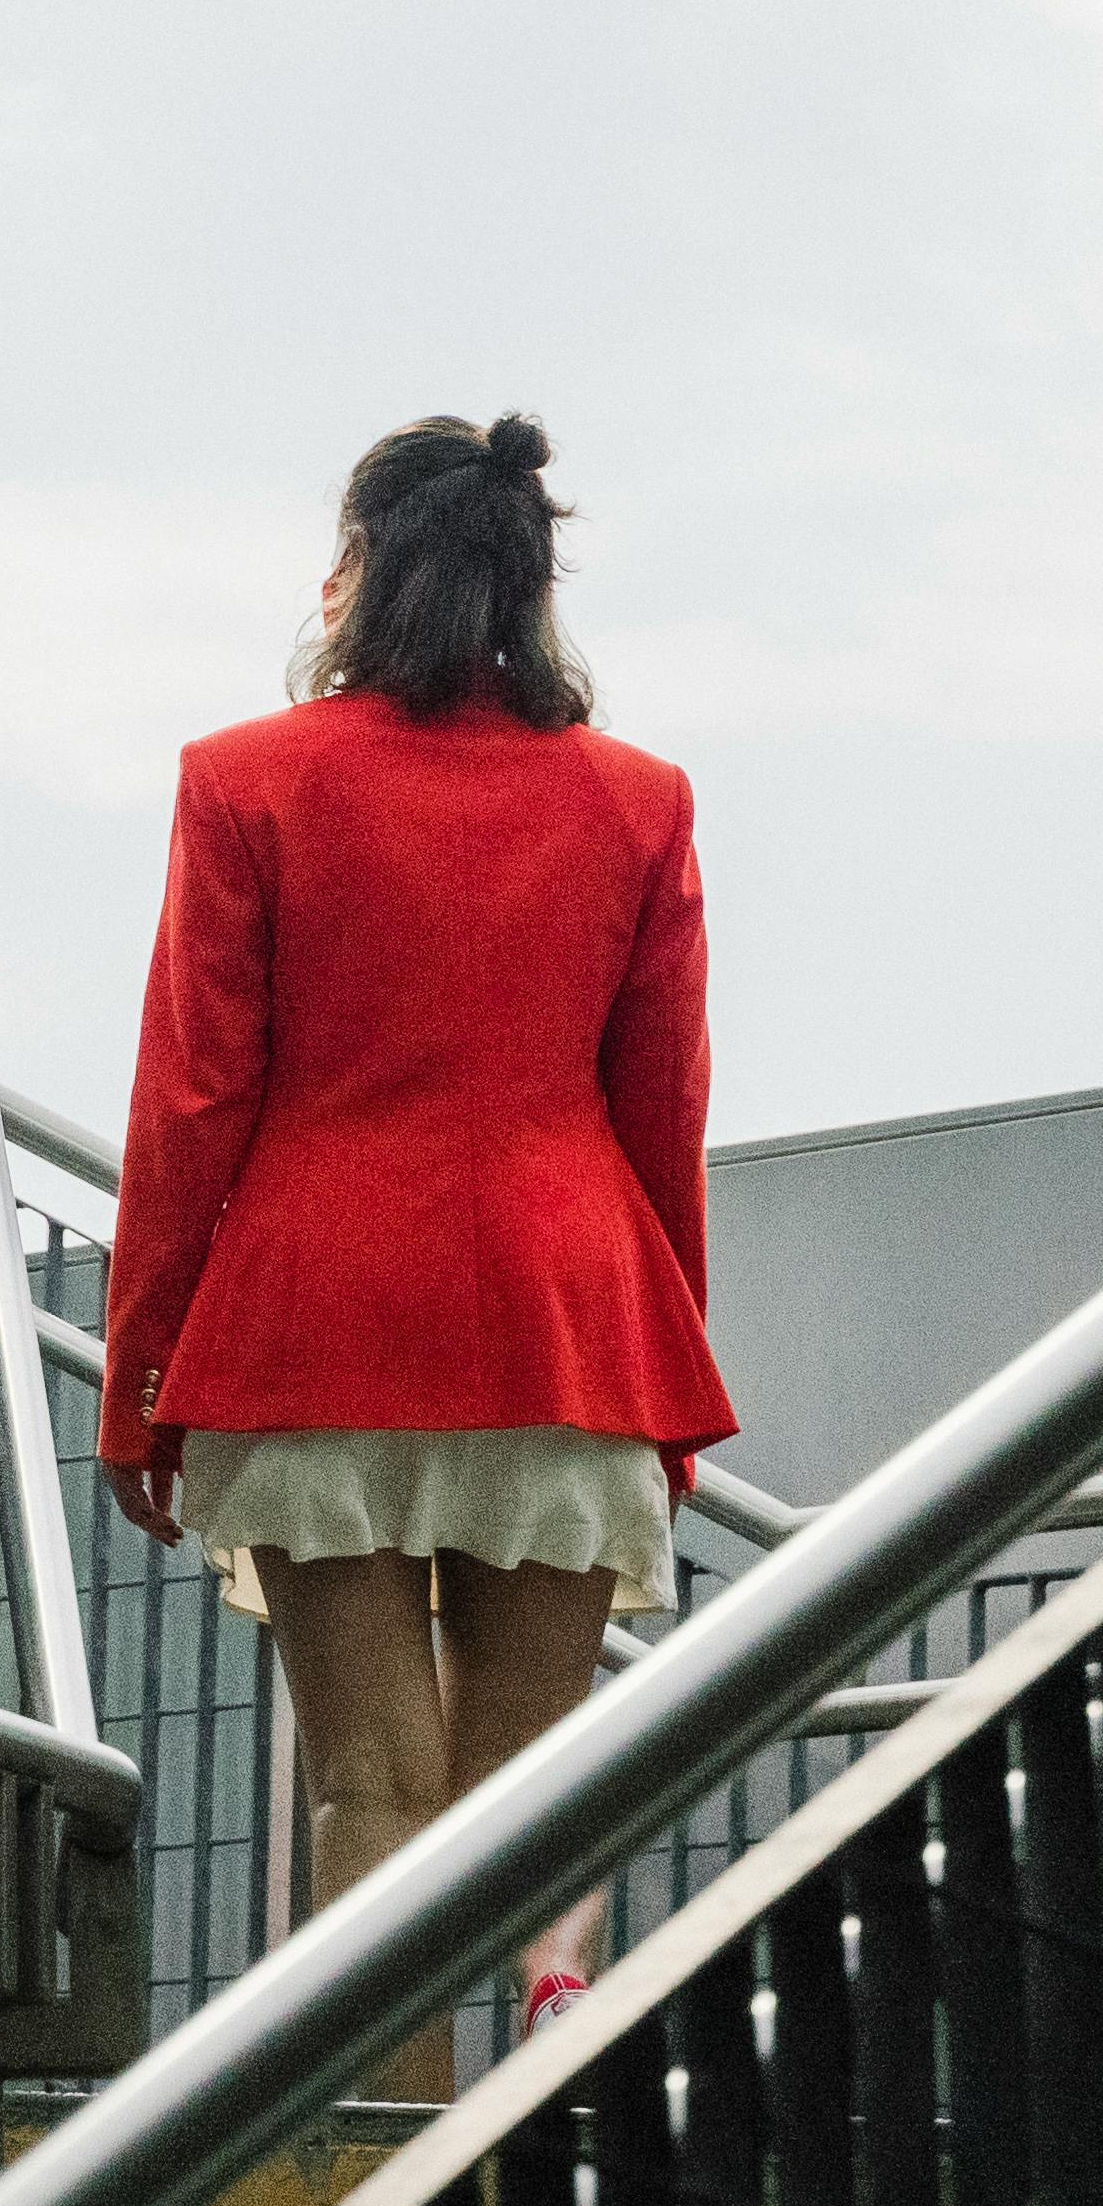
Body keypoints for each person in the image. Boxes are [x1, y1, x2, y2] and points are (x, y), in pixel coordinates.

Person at [94, 410, 733, 2080]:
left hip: (317, 1316)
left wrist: (138, 1375)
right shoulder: (639, 804)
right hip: (565, 1320)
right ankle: (510, 2200)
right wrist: (664, 1377)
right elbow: (664, 1118)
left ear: (361, 570)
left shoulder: (245, 784)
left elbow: (191, 1107)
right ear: (533, 583)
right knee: (522, 1806)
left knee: (368, 1786)